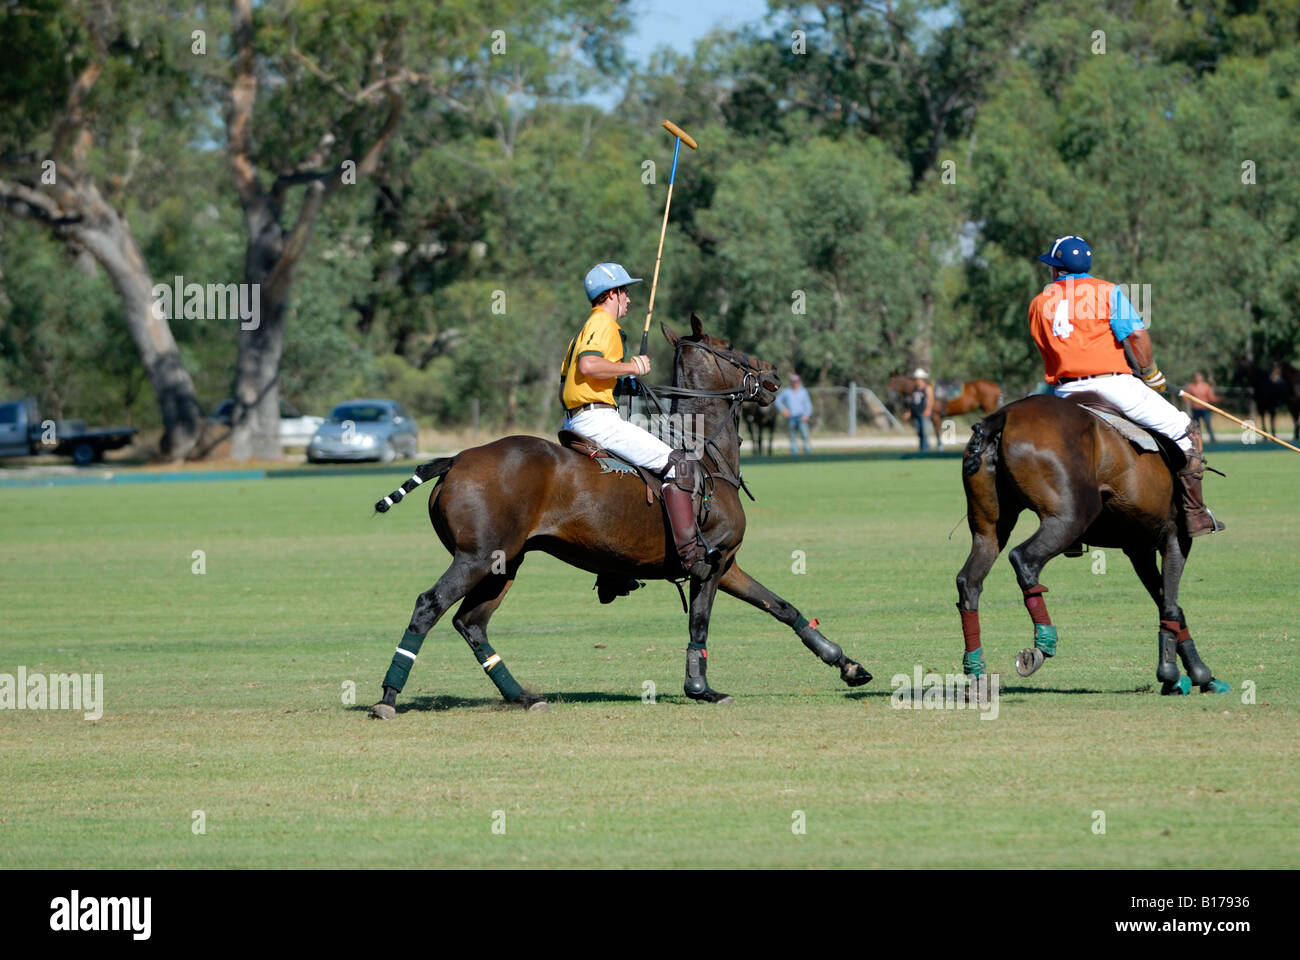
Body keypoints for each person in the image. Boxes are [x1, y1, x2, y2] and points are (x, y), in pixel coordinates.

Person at [1028, 235, 1224, 536]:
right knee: (1187, 430)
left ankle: (1068, 530)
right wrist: (1150, 372)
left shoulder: (1039, 302)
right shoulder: (1108, 292)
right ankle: (1195, 514)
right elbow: (1136, 337)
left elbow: (1047, 346)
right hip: (1113, 386)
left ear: (1056, 270)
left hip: (1064, 393)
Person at [559, 263, 721, 597]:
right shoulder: (602, 323)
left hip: (577, 418)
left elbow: (585, 375)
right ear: (611, 294)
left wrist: (625, 378)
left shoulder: (587, 328)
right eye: (625, 292)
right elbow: (589, 365)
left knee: (623, 483)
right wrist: (631, 365)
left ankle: (612, 572)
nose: (629, 300)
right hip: (596, 420)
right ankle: (690, 556)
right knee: (679, 462)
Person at [775, 373, 813, 454]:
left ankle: (808, 452)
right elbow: (777, 400)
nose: (795, 383)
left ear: (799, 382)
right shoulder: (787, 392)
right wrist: (783, 410)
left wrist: (807, 415)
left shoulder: (803, 391)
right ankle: (795, 453)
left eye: (796, 381)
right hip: (791, 417)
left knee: (805, 436)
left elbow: (808, 405)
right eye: (793, 381)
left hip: (801, 417)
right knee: (792, 437)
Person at [902, 368, 935, 451]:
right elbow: (913, 402)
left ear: (921, 379)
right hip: (916, 413)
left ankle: (926, 449)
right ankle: (922, 448)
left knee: (924, 432)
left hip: (923, 414)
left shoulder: (927, 388)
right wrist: (909, 412)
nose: (916, 380)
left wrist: (928, 410)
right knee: (919, 432)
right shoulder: (915, 389)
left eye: (917, 378)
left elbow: (931, 399)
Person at [1182, 370, 1219, 442]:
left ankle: (1213, 440)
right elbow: (1185, 395)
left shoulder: (1206, 386)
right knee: (1196, 426)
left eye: (1199, 377)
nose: (1197, 378)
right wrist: (1187, 401)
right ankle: (1198, 441)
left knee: (1208, 424)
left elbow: (1211, 397)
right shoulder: (1191, 386)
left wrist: (1217, 400)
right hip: (1196, 409)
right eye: (1196, 377)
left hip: (1204, 409)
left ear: (1202, 378)